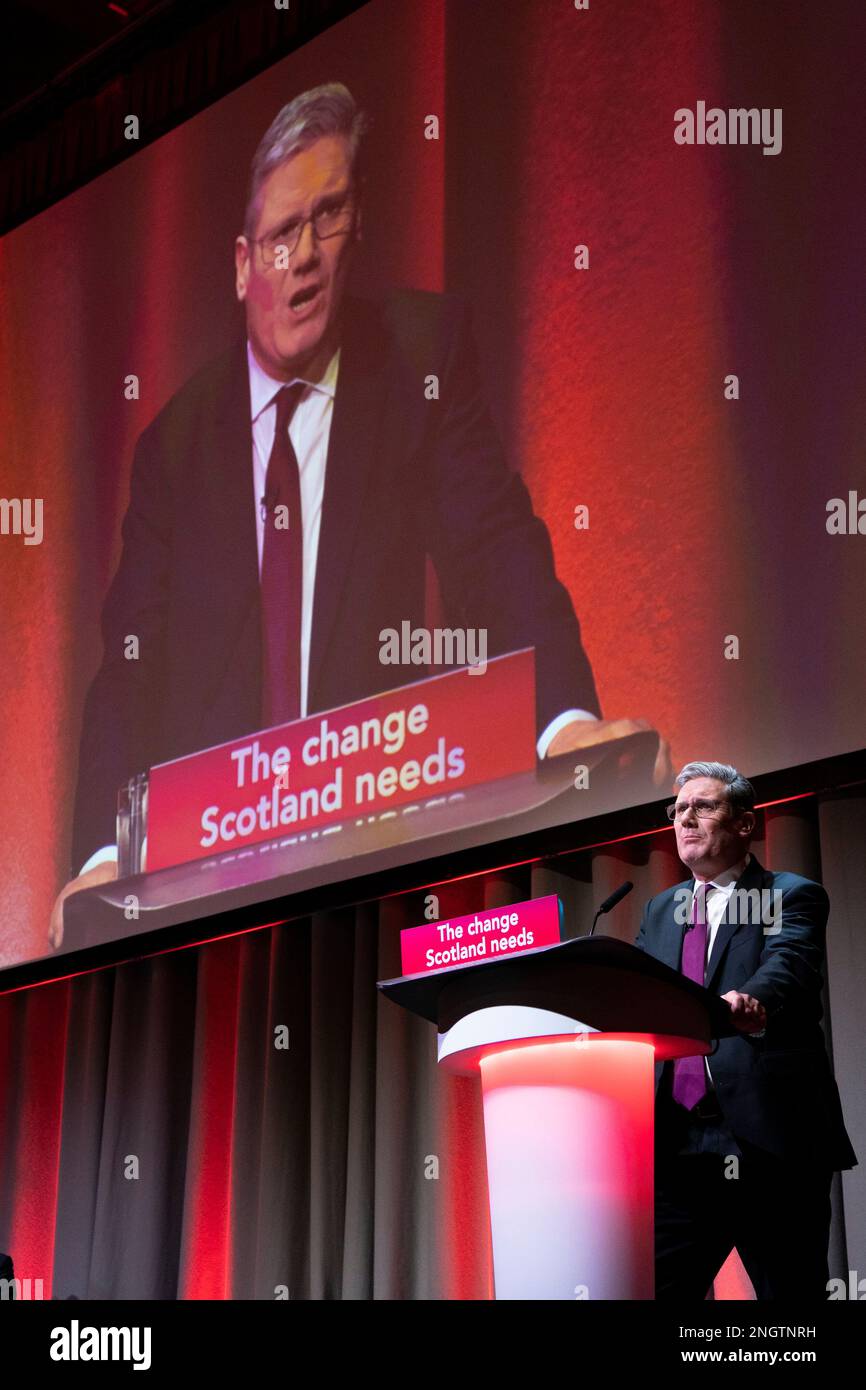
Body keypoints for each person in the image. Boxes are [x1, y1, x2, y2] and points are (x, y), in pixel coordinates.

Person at [50, 82, 662, 949]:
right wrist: (104, 856)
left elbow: (495, 548)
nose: (302, 257)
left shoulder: (419, 355)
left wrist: (564, 722)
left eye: (327, 217)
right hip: (209, 898)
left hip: (378, 859)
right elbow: (128, 673)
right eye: (278, 235)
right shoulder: (175, 447)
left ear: (358, 229)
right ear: (239, 263)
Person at [635, 759, 857, 1300]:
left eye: (704, 807)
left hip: (769, 1141)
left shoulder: (789, 893)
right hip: (679, 1144)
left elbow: (789, 963)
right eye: (679, 809)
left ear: (743, 824)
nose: (686, 819)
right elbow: (643, 996)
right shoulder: (661, 910)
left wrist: (750, 999)